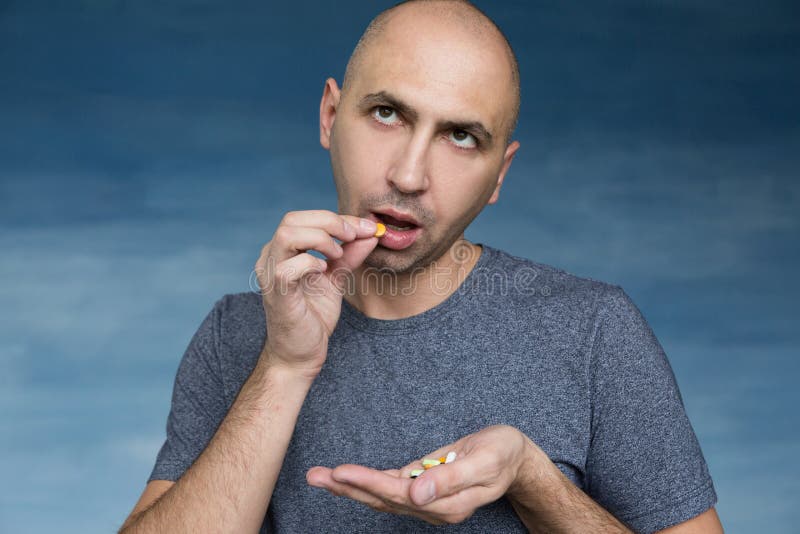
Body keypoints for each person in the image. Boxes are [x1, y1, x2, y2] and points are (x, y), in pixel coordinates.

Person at [120, 1, 723, 532]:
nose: (409, 176)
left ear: (499, 176)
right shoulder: (235, 334)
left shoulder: (594, 331)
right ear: (330, 115)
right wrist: (283, 367)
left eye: (460, 137)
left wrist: (532, 481)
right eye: (387, 113)